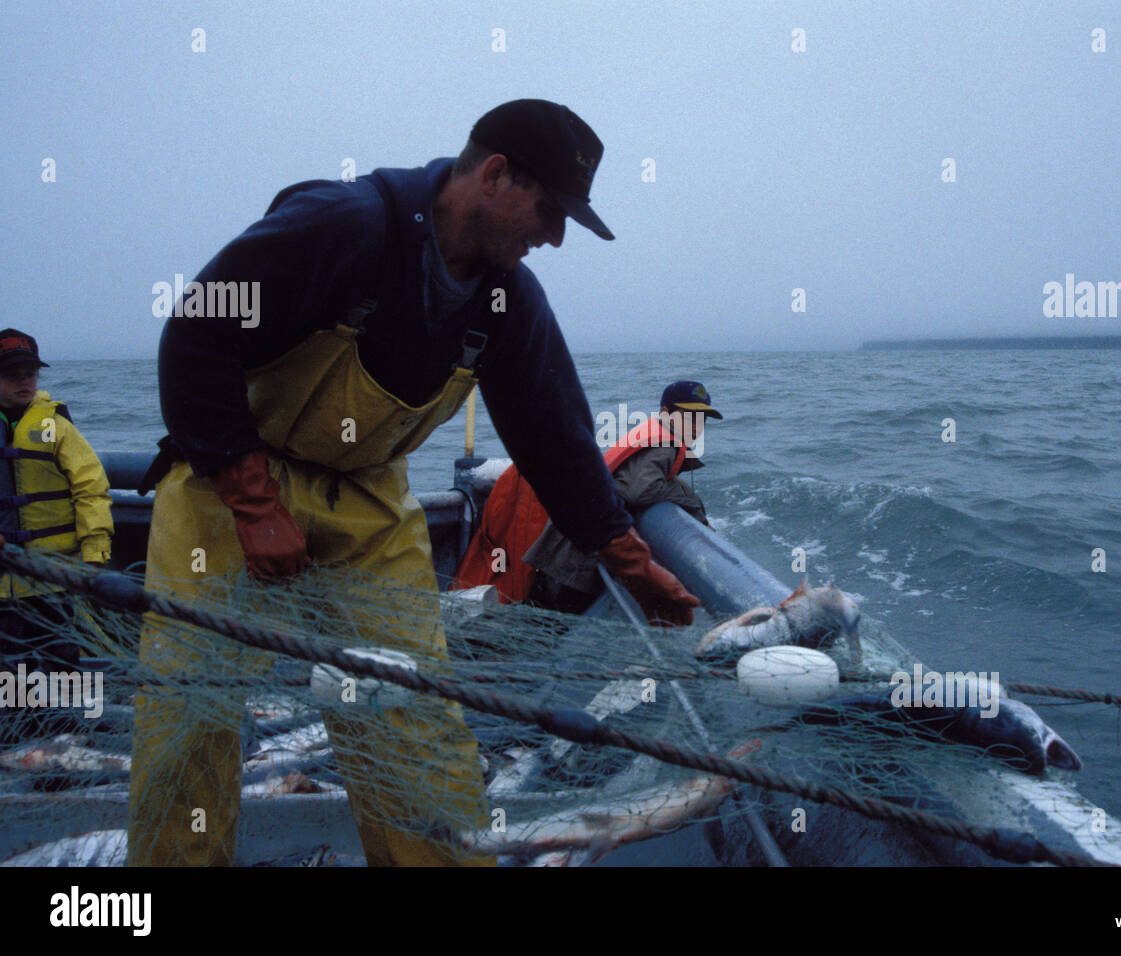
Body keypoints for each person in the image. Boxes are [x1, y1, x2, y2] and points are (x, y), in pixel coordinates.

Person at [129, 99, 700, 867]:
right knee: (190, 713)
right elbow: (195, 336)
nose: (555, 236)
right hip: (226, 480)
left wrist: (628, 558)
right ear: (494, 175)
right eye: (550, 210)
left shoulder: (507, 302)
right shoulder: (343, 225)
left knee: (412, 717)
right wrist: (254, 503)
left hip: (368, 502)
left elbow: (557, 441)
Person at [457, 381, 721, 615]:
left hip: (564, 543)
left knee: (536, 613)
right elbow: (639, 490)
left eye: (702, 419)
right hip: (576, 556)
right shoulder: (666, 445)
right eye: (689, 416)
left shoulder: (653, 436)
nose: (696, 425)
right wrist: (690, 499)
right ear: (665, 414)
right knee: (551, 622)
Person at [0, 330, 113, 741]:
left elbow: (91, 485)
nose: (23, 381)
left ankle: (72, 735)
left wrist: (95, 550)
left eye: (28, 372)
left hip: (54, 575)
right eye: (11, 374)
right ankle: (21, 741)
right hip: (3, 585)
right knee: (12, 668)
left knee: (64, 657)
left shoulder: (54, 426)